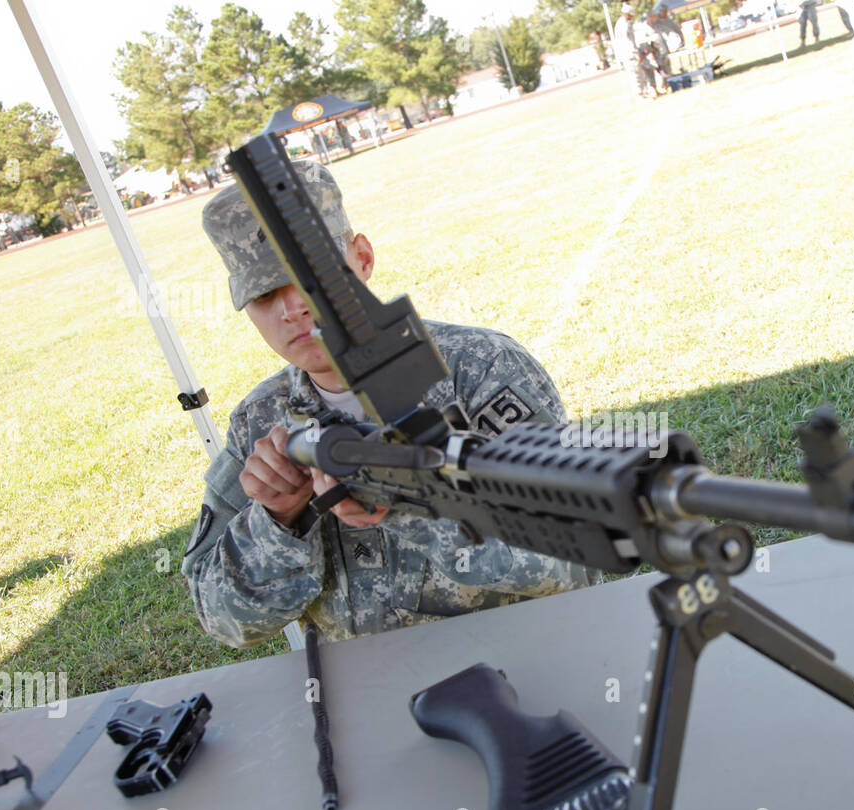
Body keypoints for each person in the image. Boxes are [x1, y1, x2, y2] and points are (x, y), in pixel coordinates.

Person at [181, 162, 595, 648]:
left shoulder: (480, 370)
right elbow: (221, 620)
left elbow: (575, 553)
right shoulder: (262, 421)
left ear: (362, 257)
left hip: (521, 669)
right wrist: (276, 520)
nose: (292, 307)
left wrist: (412, 499)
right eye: (265, 293)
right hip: (364, 697)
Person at [612, 3, 658, 98]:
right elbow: (628, 42)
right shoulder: (623, 25)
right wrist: (636, 54)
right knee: (636, 74)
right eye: (631, 15)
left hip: (630, 53)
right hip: (629, 54)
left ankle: (644, 93)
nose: (632, 17)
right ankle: (640, 95)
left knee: (639, 74)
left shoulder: (623, 23)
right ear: (626, 14)